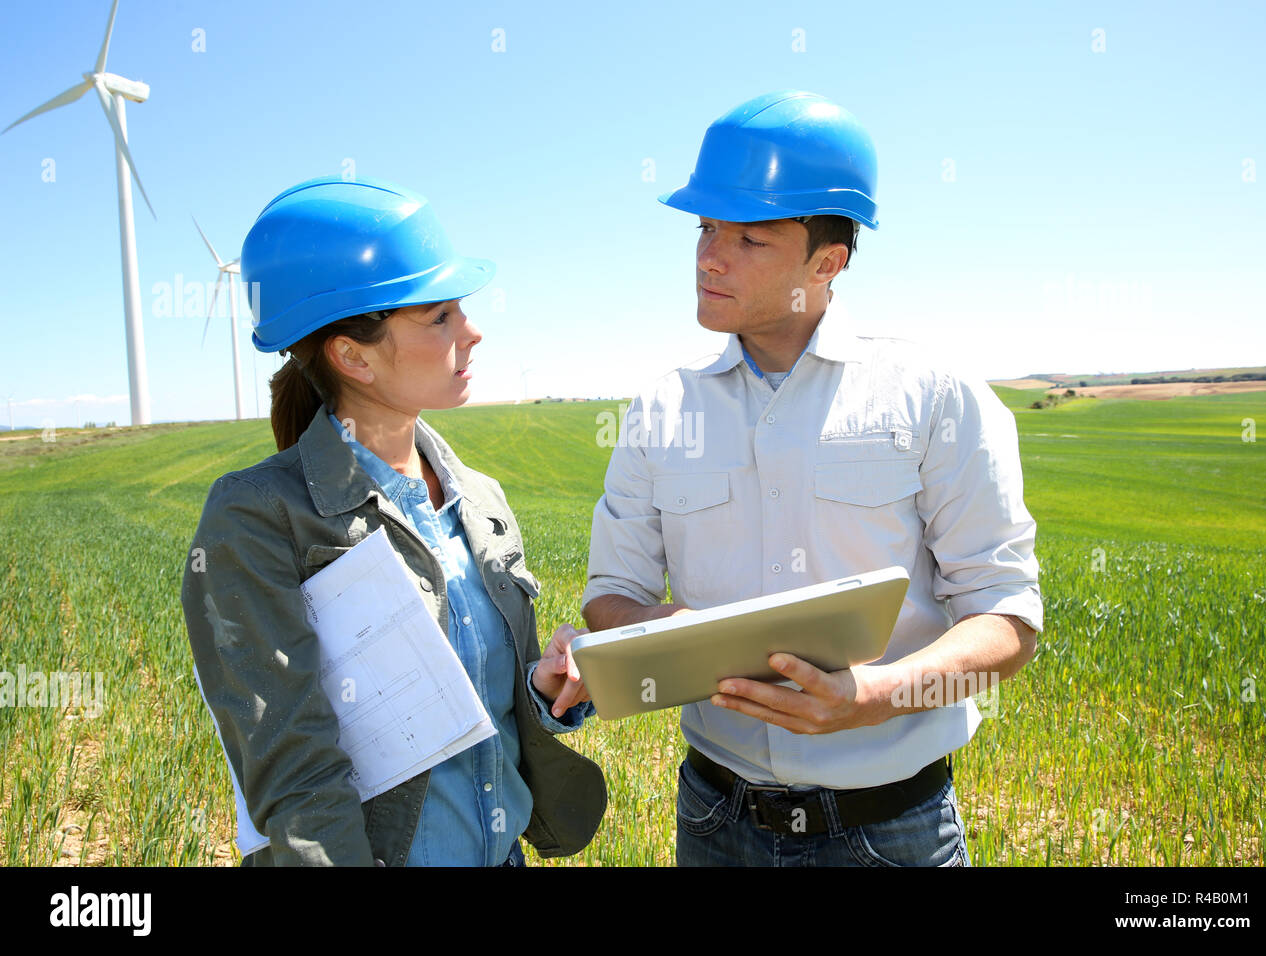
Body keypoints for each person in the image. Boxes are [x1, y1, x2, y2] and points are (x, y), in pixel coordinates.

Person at [580, 92, 1043, 866]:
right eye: (704, 228)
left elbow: (1007, 620)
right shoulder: (662, 407)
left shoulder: (934, 393)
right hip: (713, 821)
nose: (708, 257)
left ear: (827, 263)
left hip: (891, 831)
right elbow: (608, 595)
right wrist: (682, 641)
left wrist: (873, 699)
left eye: (750, 238)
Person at [181, 176, 604, 867]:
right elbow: (295, 776)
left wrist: (542, 686)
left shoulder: (481, 499)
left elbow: (483, 711)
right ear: (353, 356)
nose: (473, 330)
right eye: (439, 316)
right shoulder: (258, 521)